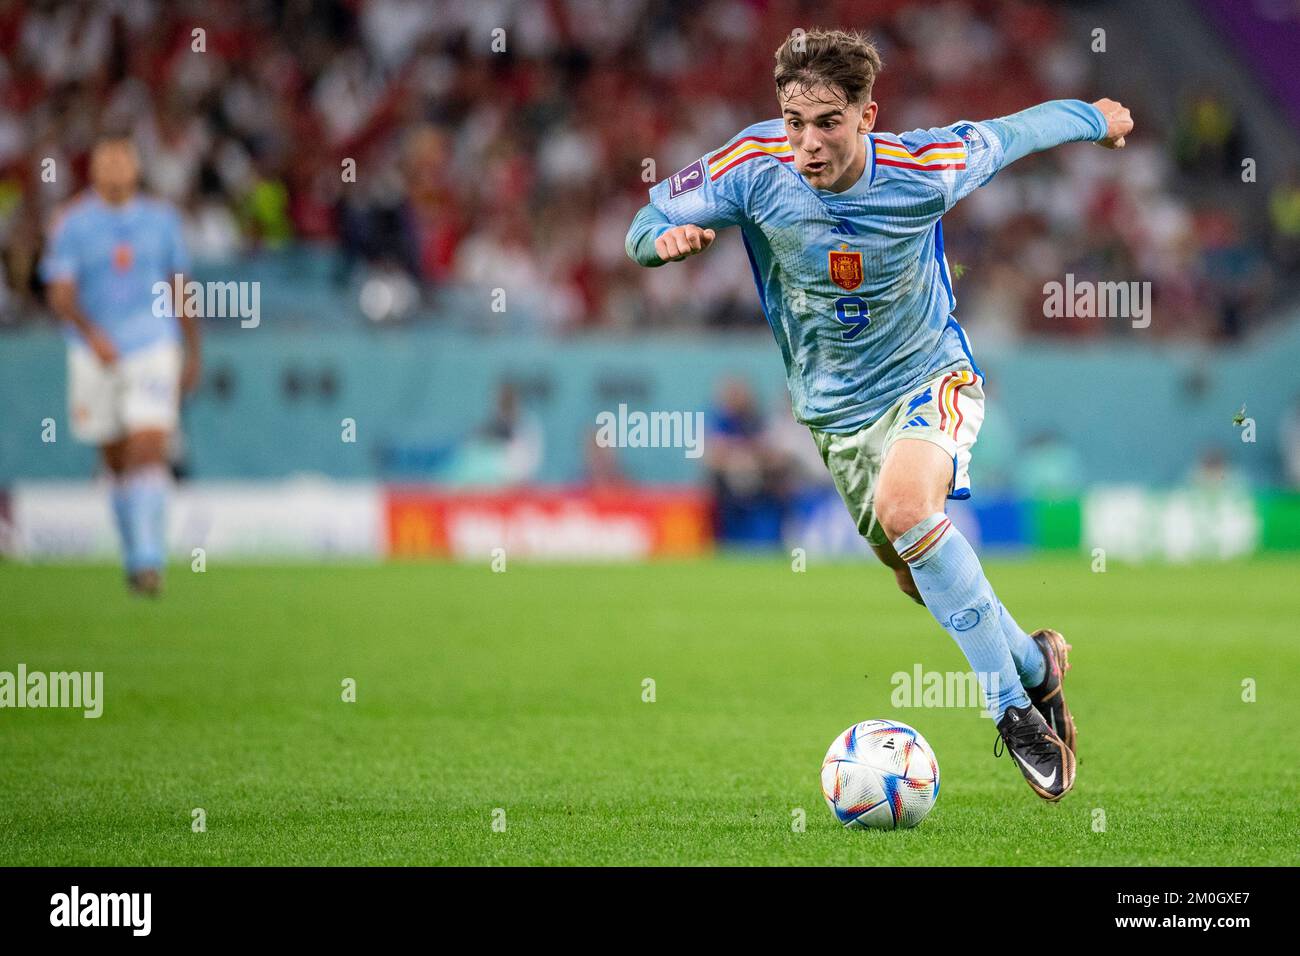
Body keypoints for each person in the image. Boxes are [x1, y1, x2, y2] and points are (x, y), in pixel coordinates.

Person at [626, 29, 1134, 802]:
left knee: (907, 509)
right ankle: (1035, 666)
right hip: (835, 415)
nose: (806, 142)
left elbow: (1017, 131)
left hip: (932, 377)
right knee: (912, 574)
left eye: (828, 121)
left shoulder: (925, 168)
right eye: (794, 121)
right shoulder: (753, 166)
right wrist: (664, 243)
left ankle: (1011, 712)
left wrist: (1096, 116)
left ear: (869, 114)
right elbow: (642, 223)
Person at [42, 134, 200, 596]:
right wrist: (92, 334)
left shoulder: (161, 220)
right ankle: (134, 553)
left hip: (154, 344)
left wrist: (192, 349)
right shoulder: (71, 223)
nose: (113, 168)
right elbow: (59, 293)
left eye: (121, 159)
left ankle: (150, 559)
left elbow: (179, 286)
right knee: (114, 458)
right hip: (95, 352)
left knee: (148, 445)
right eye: (105, 159)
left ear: (135, 168)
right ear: (92, 169)